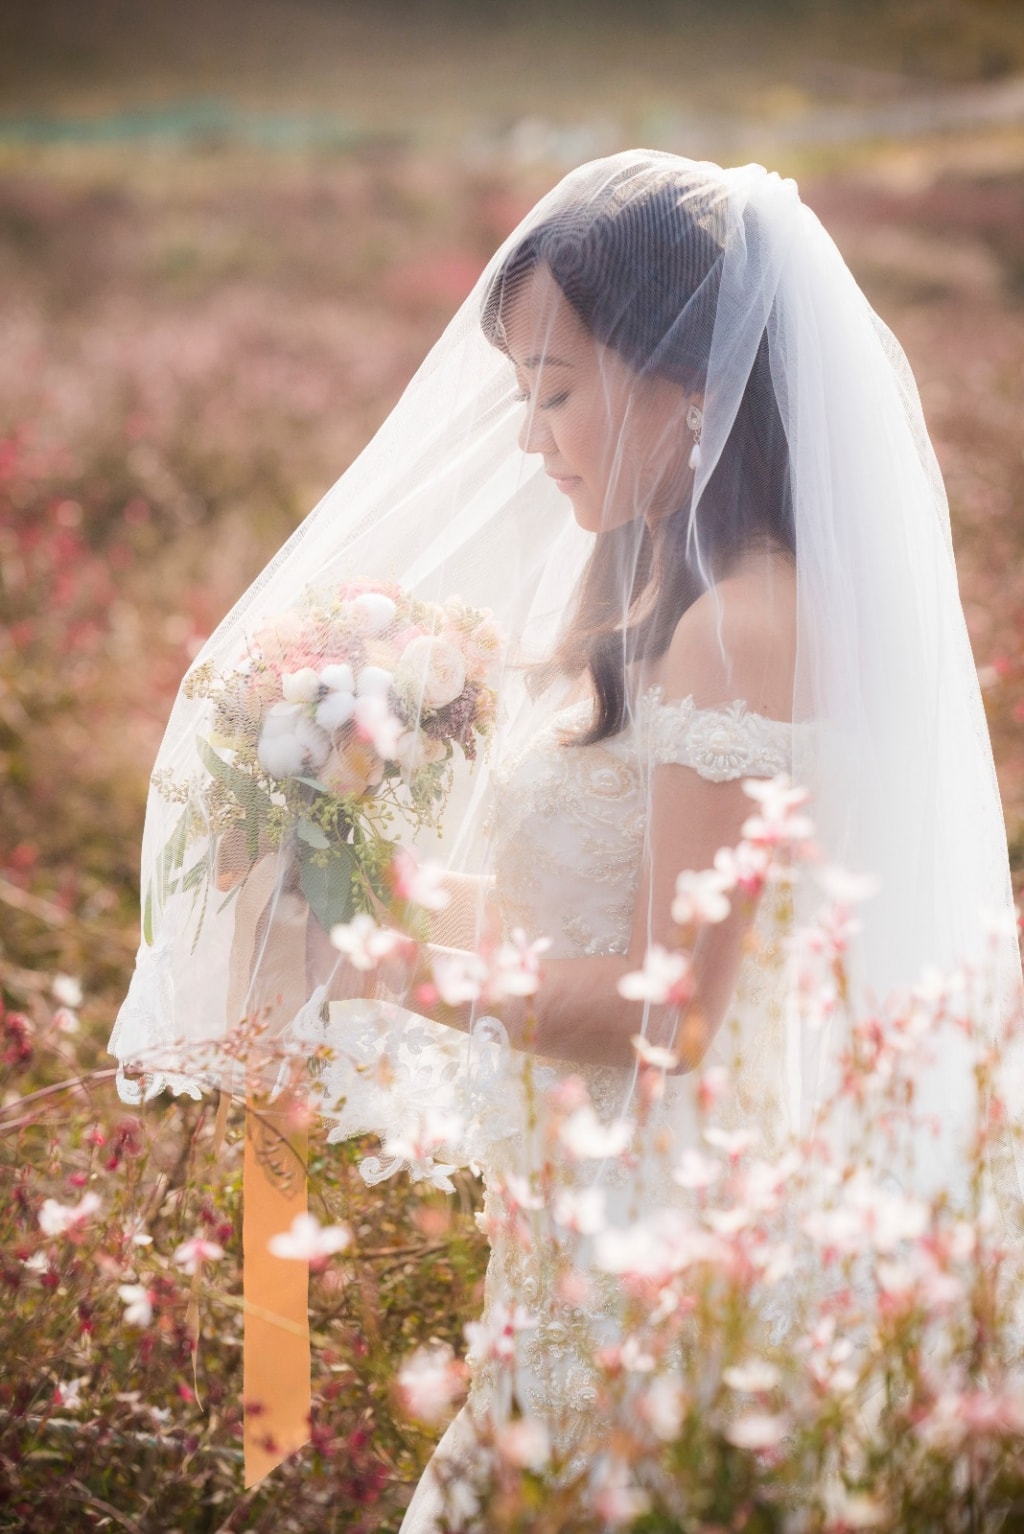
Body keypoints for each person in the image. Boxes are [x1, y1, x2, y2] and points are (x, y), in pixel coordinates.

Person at [109, 152, 1021, 1523]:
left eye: (554, 391)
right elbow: (592, 902)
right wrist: (350, 876)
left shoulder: (738, 628)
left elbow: (676, 1009)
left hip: (658, 1253)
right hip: (579, 1225)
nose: (532, 437)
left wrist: (370, 970)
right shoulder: (678, 596)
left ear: (689, 378)